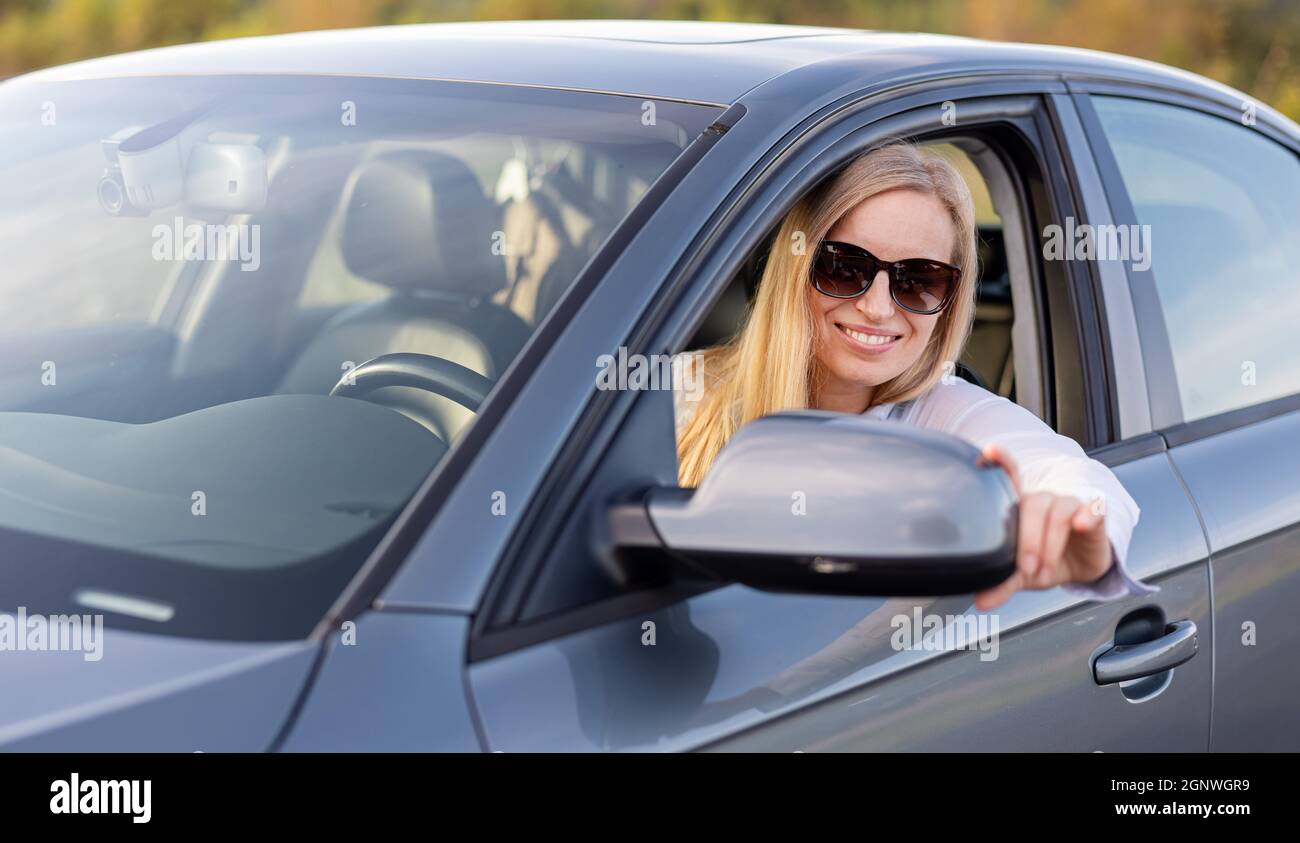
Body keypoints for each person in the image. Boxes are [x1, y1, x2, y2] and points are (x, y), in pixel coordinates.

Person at [672, 142, 1155, 610]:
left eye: (918, 280)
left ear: (949, 300)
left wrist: (1076, 523)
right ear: (794, 267)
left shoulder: (947, 416)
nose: (877, 308)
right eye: (843, 267)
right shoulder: (680, 390)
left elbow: (1062, 471)